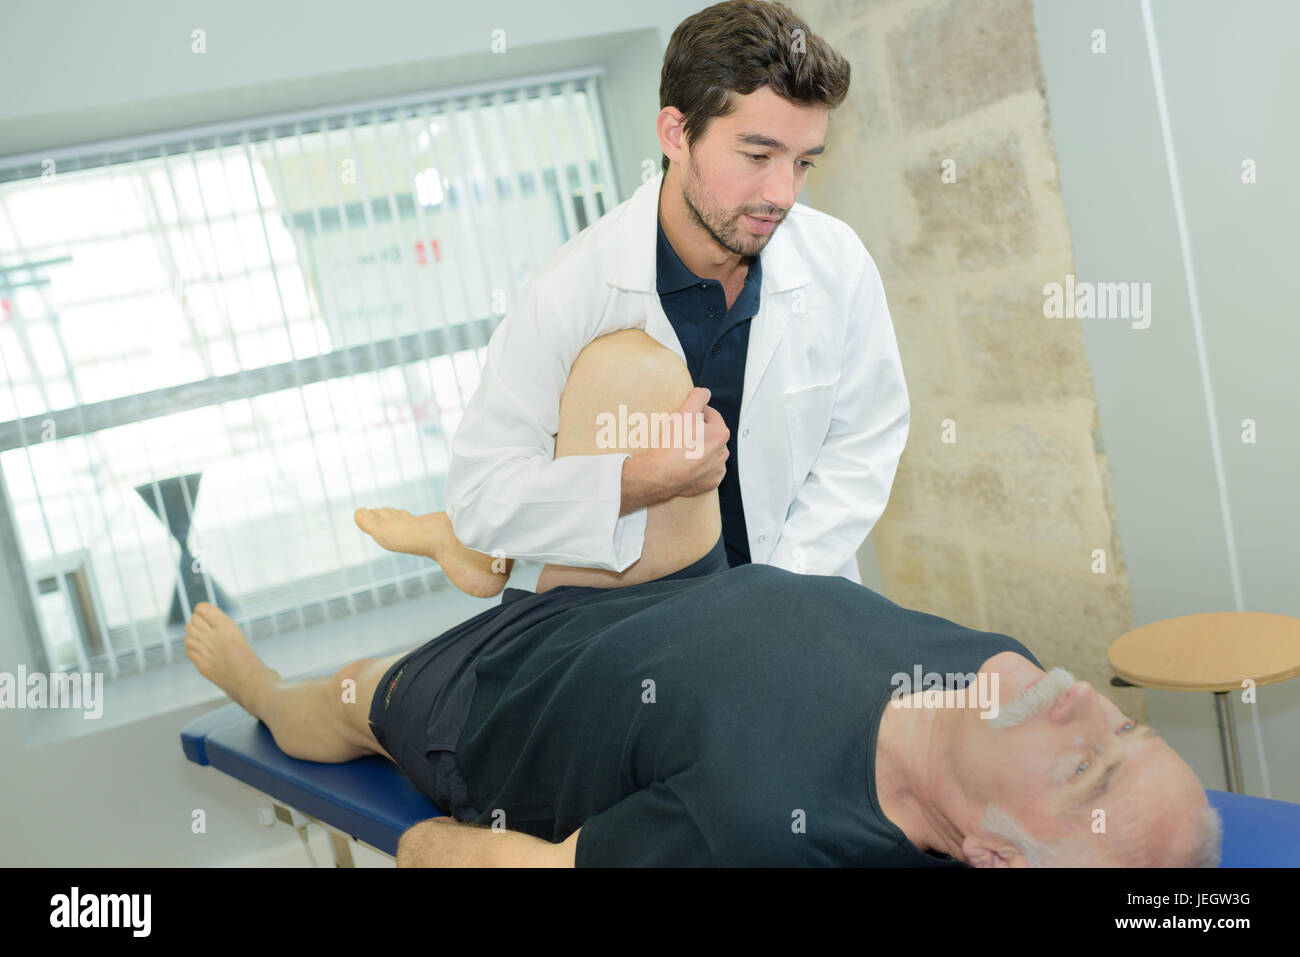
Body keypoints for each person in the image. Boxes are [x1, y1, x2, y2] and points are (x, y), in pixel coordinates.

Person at [186, 330, 1220, 867]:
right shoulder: (1011, 682)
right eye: (1130, 728)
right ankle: (485, 545)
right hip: (677, 590)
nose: (1084, 704)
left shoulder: (761, 836)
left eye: (1087, 767)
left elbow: (433, 852)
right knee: (633, 380)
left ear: (990, 852)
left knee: (343, 700)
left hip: (504, 697)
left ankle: (262, 678)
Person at [437, 0, 910, 585]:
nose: (783, 193)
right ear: (676, 134)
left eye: (803, 162)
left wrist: (783, 590)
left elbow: (864, 440)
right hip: (637, 614)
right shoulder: (572, 289)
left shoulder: (836, 261)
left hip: (797, 590)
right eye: (758, 155)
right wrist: (646, 478)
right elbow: (482, 497)